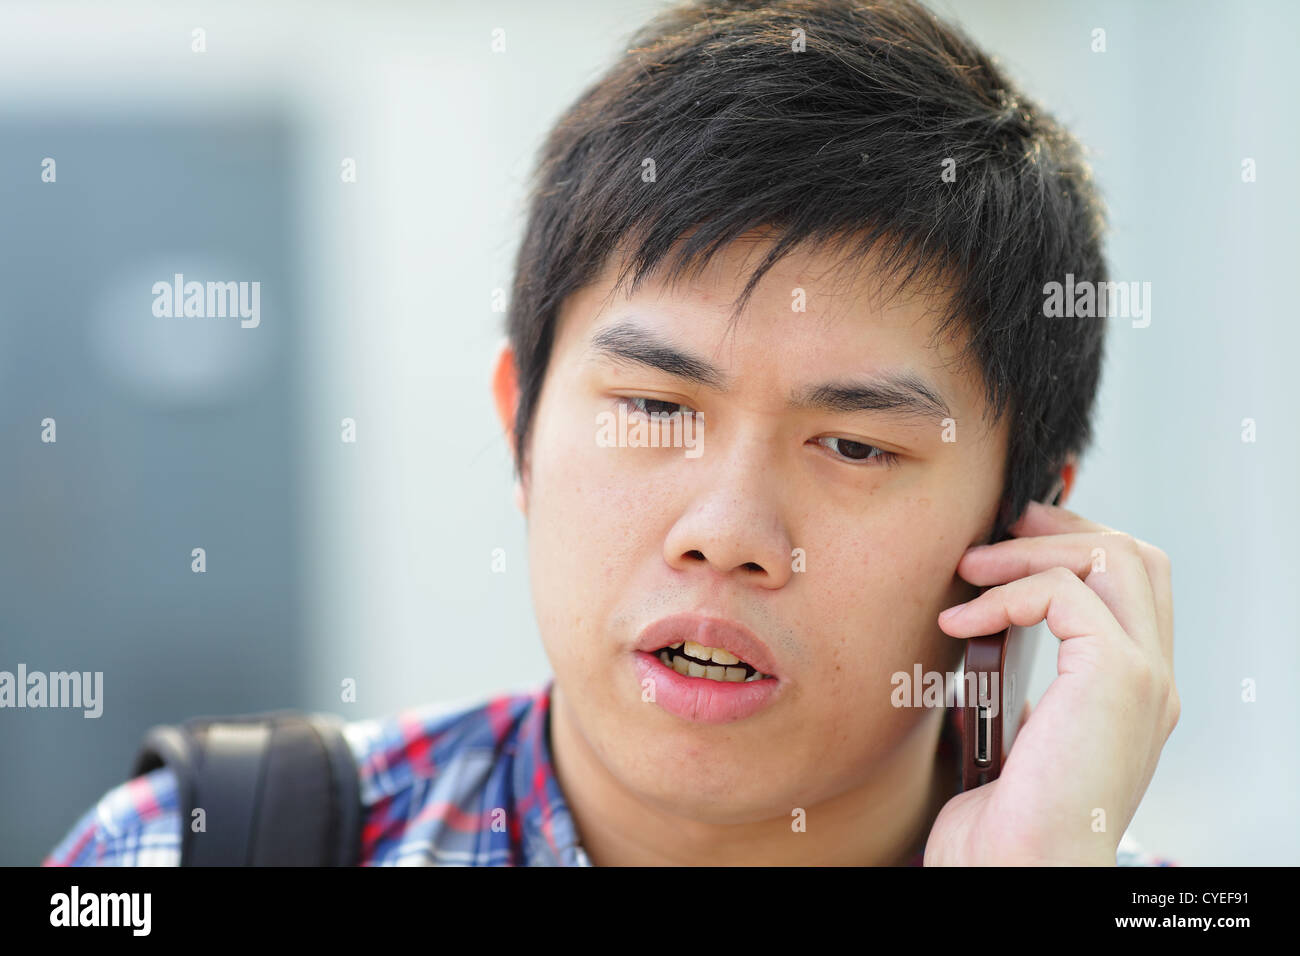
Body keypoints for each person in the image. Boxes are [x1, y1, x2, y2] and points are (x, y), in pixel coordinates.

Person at [45, 0, 1178, 867]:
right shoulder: (185, 847)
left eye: (854, 445)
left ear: (1024, 527)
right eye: (653, 407)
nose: (726, 532)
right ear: (521, 429)